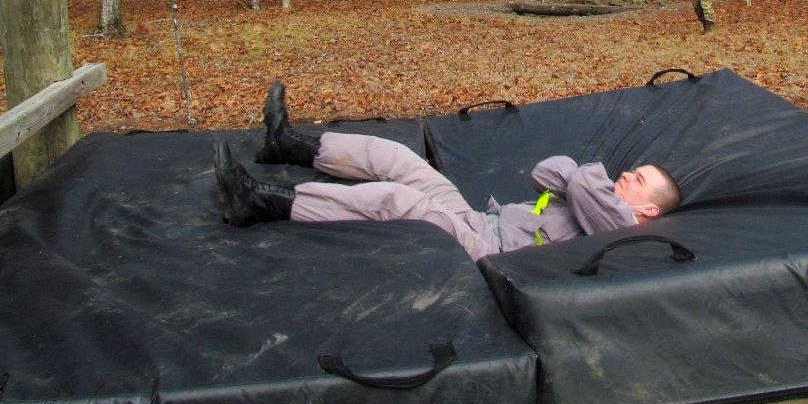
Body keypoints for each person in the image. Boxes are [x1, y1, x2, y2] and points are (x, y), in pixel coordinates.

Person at [213, 83, 681, 263]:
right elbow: (544, 174)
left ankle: (265, 202)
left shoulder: (620, 229)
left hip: (486, 253)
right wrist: (569, 186)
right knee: (399, 159)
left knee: (401, 201)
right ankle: (291, 146)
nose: (625, 175)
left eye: (637, 179)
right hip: (479, 221)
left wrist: (580, 177)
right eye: (632, 171)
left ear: (649, 208)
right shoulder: (596, 204)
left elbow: (575, 177)